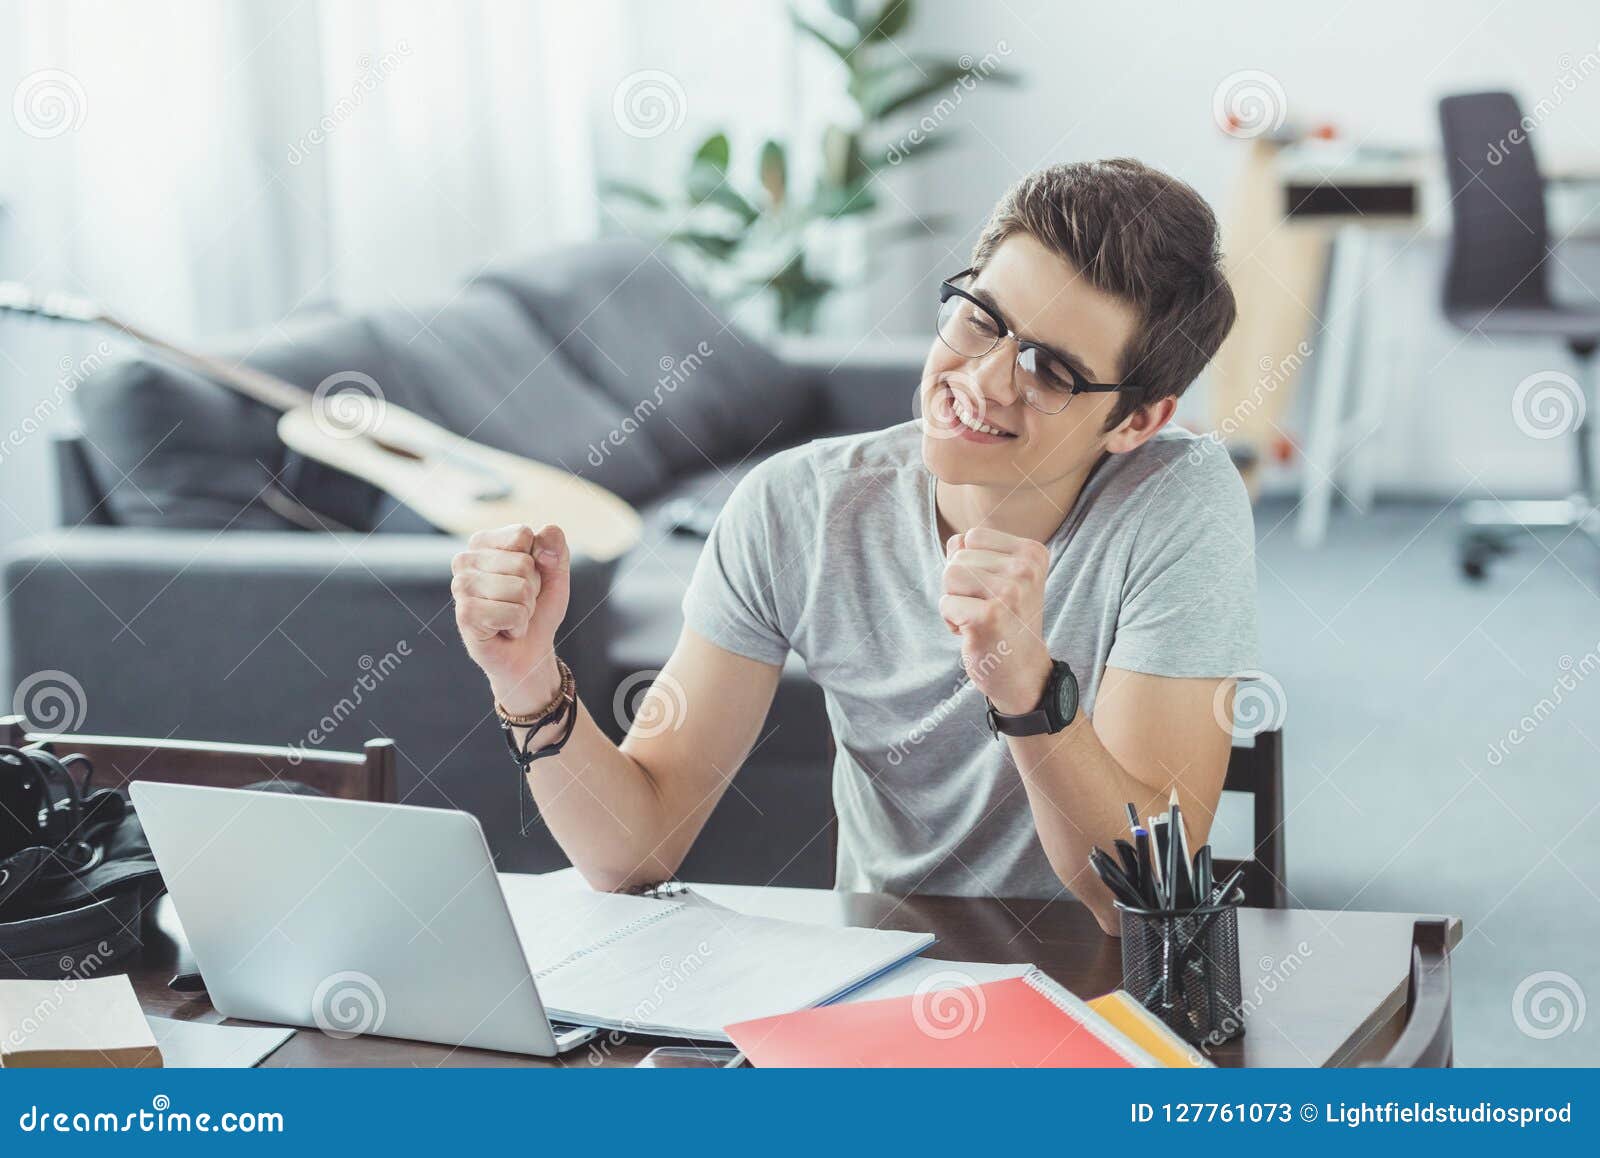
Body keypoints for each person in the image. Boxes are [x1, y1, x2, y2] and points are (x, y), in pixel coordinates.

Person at [452, 158, 1258, 934]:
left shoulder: (1176, 499)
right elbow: (632, 851)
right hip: (881, 982)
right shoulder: (795, 507)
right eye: (982, 321)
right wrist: (525, 678)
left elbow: (1138, 903)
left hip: (1095, 992)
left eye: (1050, 371)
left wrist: (1028, 689)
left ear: (1136, 422)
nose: (983, 380)